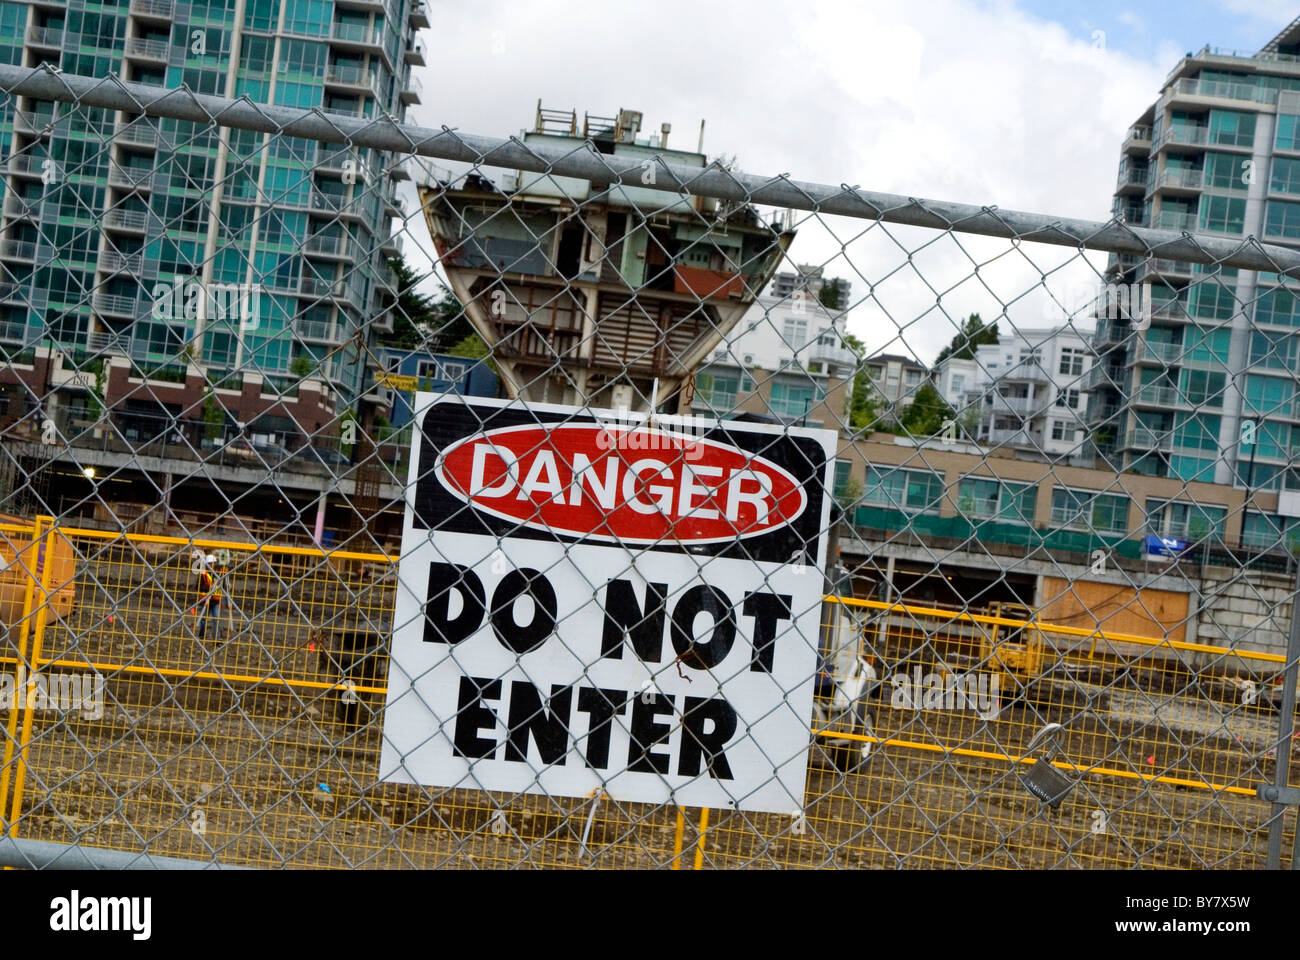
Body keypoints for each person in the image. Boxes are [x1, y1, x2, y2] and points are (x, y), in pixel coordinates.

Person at [196, 554, 225, 642]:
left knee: (216, 618)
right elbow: (198, 587)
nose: (212, 565)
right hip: (205, 600)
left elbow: (222, 586)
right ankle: (201, 636)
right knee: (203, 619)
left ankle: (217, 637)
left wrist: (224, 586)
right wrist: (209, 588)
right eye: (210, 563)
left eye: (213, 563)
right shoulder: (203, 574)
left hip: (215, 600)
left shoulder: (218, 574)